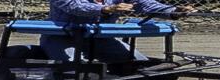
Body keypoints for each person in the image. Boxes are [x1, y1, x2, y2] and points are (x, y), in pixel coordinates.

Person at [42, 0, 197, 63]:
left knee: (140, 63)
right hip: (63, 39)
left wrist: (172, 11)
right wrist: (105, 9)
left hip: (102, 39)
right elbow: (74, 6)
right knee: (77, 68)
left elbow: (143, 3)